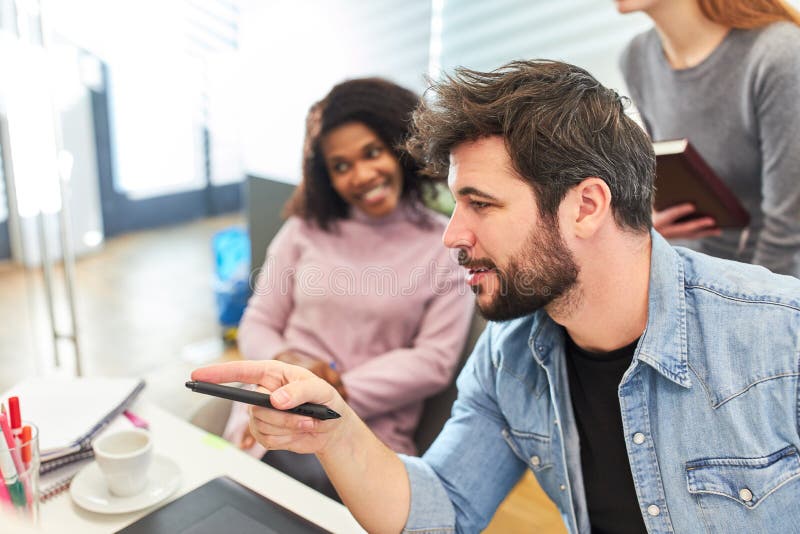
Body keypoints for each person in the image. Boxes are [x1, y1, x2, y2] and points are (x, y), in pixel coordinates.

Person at [193, 60, 800, 533]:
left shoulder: (780, 336)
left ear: (585, 206)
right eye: (456, 203)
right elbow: (446, 508)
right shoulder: (509, 357)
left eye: (480, 204)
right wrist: (335, 429)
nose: (453, 234)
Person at [223, 77, 474, 500]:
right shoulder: (304, 229)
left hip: (366, 436)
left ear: (401, 146)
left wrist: (330, 391)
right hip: (272, 419)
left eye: (372, 153)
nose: (361, 176)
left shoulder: (444, 243)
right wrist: (284, 362)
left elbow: (434, 361)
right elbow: (260, 320)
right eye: (341, 166)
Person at [618, 0, 800, 277]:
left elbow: (787, 230)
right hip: (688, 275)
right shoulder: (636, 58)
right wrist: (646, 225)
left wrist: (741, 311)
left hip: (762, 285)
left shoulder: (779, 55)